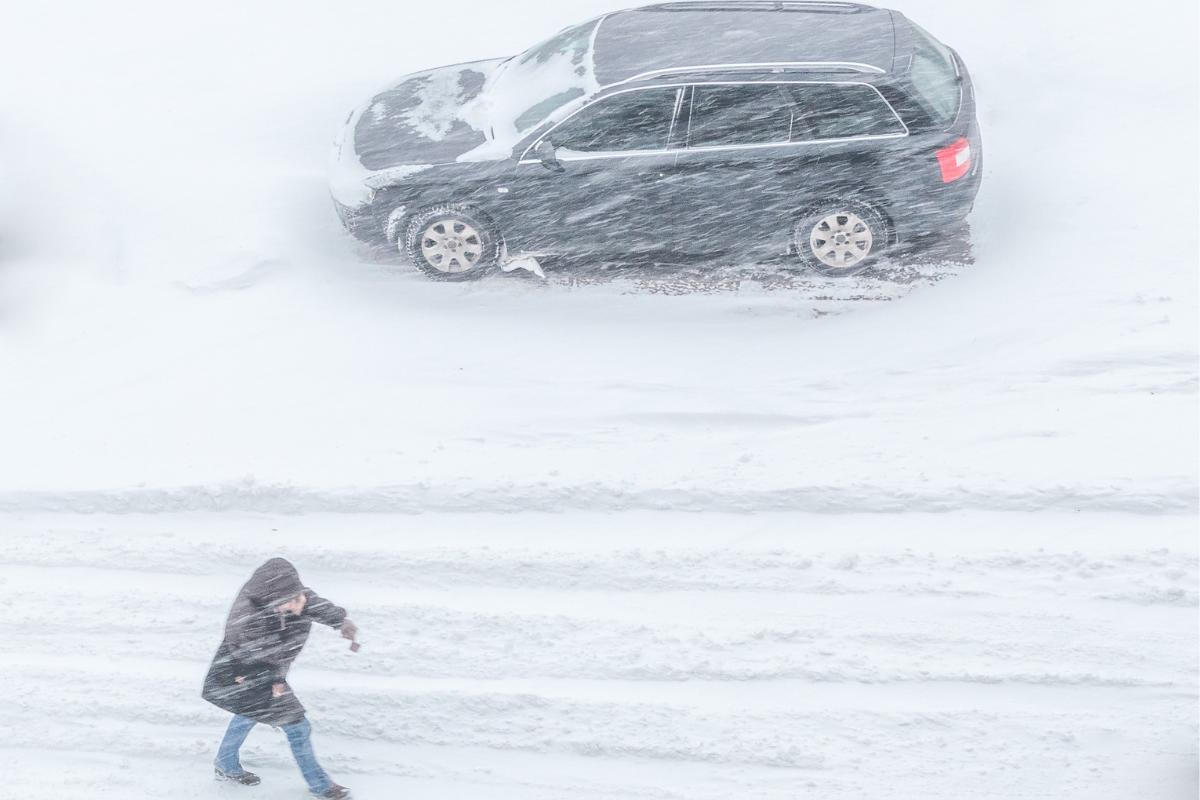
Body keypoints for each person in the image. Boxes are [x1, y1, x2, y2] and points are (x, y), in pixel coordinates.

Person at [202, 557, 358, 799]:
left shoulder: (287, 593)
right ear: (273, 601)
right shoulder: (248, 618)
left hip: (263, 672)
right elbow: (264, 655)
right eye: (291, 603)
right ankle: (320, 785)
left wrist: (341, 621)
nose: (299, 606)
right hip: (244, 672)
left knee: (247, 713)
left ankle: (225, 764)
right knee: (298, 726)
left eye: (298, 598)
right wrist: (277, 682)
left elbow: (309, 603)